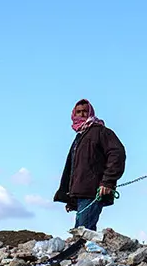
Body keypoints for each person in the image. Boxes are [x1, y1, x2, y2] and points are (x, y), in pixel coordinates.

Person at [53, 99, 126, 231]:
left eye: (85, 111)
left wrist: (108, 181)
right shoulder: (80, 137)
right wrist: (71, 199)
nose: (81, 114)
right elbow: (74, 170)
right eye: (78, 112)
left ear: (91, 112)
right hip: (81, 194)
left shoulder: (100, 132)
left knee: (83, 233)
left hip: (93, 192)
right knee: (82, 232)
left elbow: (117, 153)